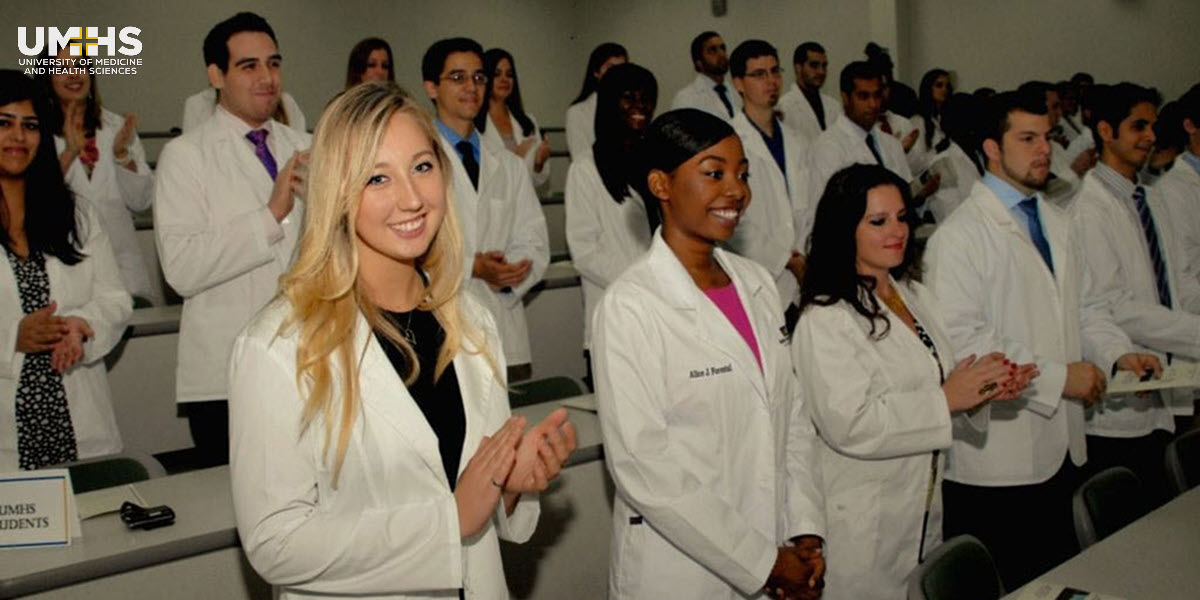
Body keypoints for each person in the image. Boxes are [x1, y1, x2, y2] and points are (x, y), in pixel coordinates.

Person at [229, 81, 577, 600]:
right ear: (337, 193)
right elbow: (274, 541)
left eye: (422, 166)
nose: (412, 198)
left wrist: (509, 486)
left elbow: (477, 503)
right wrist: (446, 523)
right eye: (377, 178)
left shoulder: (472, 320)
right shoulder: (277, 345)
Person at [924, 89, 1158, 590]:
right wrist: (1058, 379)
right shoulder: (959, 237)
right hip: (999, 464)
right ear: (992, 148)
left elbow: (1086, 307)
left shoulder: (1056, 219)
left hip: (1063, 449)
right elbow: (967, 343)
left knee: (1058, 582)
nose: (1044, 150)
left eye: (1047, 137)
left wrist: (1118, 354)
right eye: (1027, 139)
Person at [594, 108, 825, 599]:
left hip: (775, 544)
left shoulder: (758, 284)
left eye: (743, 174)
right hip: (681, 571)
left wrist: (805, 528)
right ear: (660, 184)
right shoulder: (630, 306)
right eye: (714, 174)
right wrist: (763, 562)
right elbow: (645, 467)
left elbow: (791, 417)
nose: (736, 190)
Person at [795, 164, 1030, 600]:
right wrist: (947, 399)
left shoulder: (915, 296)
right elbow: (850, 424)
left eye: (902, 217)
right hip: (862, 524)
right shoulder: (826, 317)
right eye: (878, 221)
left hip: (920, 510)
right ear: (845, 229)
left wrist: (981, 390)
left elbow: (938, 390)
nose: (897, 231)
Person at [155, 12, 311, 468]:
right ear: (216, 76)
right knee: (234, 501)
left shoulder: (307, 146)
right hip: (225, 377)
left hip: (310, 364)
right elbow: (182, 269)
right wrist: (269, 215)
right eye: (249, 66)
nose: (267, 77)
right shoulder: (185, 157)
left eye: (273, 63)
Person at [1072, 82, 1200, 504]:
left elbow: (1177, 282)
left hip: (1164, 379)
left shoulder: (1149, 198)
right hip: (1120, 397)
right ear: (1106, 131)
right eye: (1137, 126)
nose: (1150, 136)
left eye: (1152, 126)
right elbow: (1116, 307)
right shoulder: (1088, 208)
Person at [0, 70, 132, 470]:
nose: (18, 137)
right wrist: (12, 338)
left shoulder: (76, 213)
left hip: (81, 422)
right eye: (4, 123)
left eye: (30, 126)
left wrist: (81, 325)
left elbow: (115, 299)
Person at [421, 38, 549, 383]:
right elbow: (411, 247)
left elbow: (535, 241)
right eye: (458, 77)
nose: (471, 87)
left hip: (500, 319)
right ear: (431, 87)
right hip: (442, 322)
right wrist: (472, 267)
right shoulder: (417, 161)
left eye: (479, 78)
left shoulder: (508, 165)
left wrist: (506, 275)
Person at [40, 47, 161, 306]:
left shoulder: (117, 127)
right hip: (66, 266)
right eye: (61, 69)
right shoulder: (36, 132)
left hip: (123, 268)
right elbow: (35, 201)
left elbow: (141, 202)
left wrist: (121, 156)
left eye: (79, 65)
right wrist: (69, 154)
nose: (73, 74)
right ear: (47, 79)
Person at [564, 63, 655, 380]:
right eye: (629, 98)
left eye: (646, 98)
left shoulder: (657, 166)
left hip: (662, 315)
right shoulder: (586, 170)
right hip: (616, 315)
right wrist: (647, 279)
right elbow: (585, 252)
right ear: (608, 104)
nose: (640, 107)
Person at [727, 40, 809, 315]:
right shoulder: (730, 142)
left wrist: (802, 255)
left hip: (803, 273)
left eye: (775, 71)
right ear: (738, 83)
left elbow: (810, 206)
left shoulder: (797, 141)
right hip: (760, 272)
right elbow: (734, 219)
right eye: (759, 74)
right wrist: (785, 259)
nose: (771, 81)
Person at [803, 61, 914, 241]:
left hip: (893, 238)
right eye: (864, 96)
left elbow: (905, 197)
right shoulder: (828, 147)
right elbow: (826, 213)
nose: (873, 104)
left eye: (877, 95)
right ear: (845, 98)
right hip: (850, 244)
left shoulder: (891, 144)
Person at [476, 48, 551, 191]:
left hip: (525, 201)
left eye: (509, 74)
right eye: (497, 74)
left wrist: (538, 164)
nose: (504, 80)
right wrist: (517, 157)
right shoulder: (475, 124)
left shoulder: (527, 122)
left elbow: (538, 181)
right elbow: (483, 179)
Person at [566, 43, 627, 161]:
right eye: (610, 68)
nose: (618, 75)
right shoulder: (578, 112)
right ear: (596, 72)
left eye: (623, 69)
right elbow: (581, 158)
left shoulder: (632, 110)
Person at [669, 31, 741, 122]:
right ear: (699, 62)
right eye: (713, 50)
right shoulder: (685, 98)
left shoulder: (738, 92)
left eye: (723, 48)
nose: (721, 54)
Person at [778, 41, 841, 142]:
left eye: (824, 66)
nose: (821, 72)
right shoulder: (784, 107)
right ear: (798, 68)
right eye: (814, 65)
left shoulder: (834, 106)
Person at [907, 69, 953, 176]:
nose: (944, 90)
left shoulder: (943, 119)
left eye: (947, 86)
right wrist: (936, 150)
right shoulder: (918, 121)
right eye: (939, 85)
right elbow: (915, 165)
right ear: (928, 88)